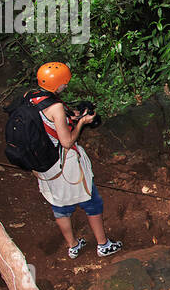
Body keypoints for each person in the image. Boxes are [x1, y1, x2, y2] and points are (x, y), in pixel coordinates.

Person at [25, 62, 121, 259]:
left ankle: (73, 245)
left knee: (60, 205)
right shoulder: (56, 107)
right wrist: (82, 123)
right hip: (64, 164)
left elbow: (48, 121)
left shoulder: (30, 97)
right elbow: (67, 142)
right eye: (64, 83)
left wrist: (74, 116)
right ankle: (103, 245)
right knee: (91, 200)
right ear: (58, 84)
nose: (66, 86)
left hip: (42, 162)